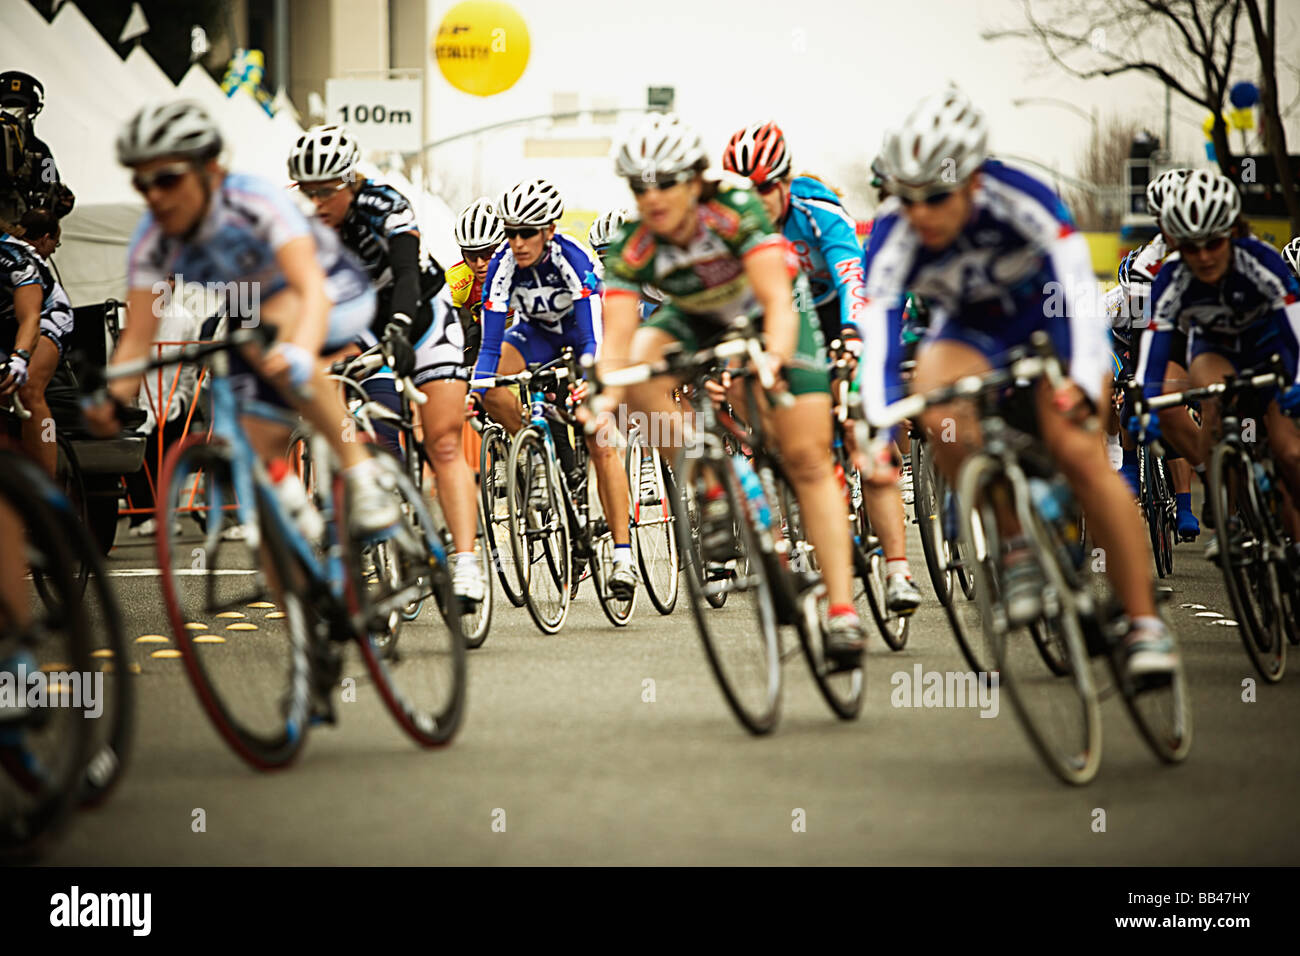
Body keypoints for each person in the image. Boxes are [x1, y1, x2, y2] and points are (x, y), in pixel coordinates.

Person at [860, 87, 1176, 679]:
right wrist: (875, 423)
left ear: (974, 180)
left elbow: (1082, 297)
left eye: (936, 196)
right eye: (907, 197)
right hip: (970, 335)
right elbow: (876, 333)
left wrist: (1083, 384)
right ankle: (1018, 543)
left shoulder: (1020, 199)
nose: (919, 213)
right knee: (937, 406)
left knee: (1078, 451)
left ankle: (1144, 624)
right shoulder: (895, 230)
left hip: (1051, 321)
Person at [593, 113, 865, 663]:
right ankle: (709, 477)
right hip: (695, 318)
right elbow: (618, 341)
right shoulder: (633, 240)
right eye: (640, 187)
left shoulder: (735, 210)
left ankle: (842, 614)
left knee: (808, 457)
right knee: (634, 376)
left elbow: (777, 304)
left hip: (771, 313)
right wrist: (602, 394)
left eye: (667, 182)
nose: (653, 198)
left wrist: (773, 359)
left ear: (695, 179)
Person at [83, 99, 398, 542]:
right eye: (142, 182)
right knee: (257, 432)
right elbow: (136, 339)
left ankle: (364, 479)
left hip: (331, 289)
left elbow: (307, 291)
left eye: (168, 178)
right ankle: (293, 533)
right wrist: (114, 400)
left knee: (281, 343)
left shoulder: (254, 201)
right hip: (259, 312)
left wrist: (296, 350)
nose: (154, 194)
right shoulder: (153, 238)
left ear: (209, 170)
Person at [722, 121, 920, 612]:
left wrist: (852, 339)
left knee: (864, 439)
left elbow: (853, 279)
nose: (756, 198)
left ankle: (898, 570)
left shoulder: (817, 212)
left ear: (784, 183)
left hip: (840, 312)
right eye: (745, 190)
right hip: (786, 323)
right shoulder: (733, 227)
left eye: (765, 187)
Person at [287, 124, 483, 603]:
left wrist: (398, 325)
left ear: (351, 180)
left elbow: (409, 274)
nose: (317, 203)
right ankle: (385, 523)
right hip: (362, 330)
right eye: (307, 192)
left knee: (443, 440)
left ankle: (466, 564)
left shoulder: (386, 205)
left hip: (423, 318)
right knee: (366, 428)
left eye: (327, 191)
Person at [471, 177, 638, 600]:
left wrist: (588, 382)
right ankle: (533, 448)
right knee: (488, 387)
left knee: (599, 437)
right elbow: (491, 343)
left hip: (581, 337)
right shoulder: (502, 265)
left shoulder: (573, 258)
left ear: (548, 231)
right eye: (510, 233)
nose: (517, 243)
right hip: (534, 336)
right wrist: (478, 386)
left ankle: (622, 556)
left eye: (527, 233)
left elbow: (592, 336)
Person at [1136, 170, 1300, 557]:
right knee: (1212, 398)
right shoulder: (1172, 276)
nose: (1205, 256)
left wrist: (1296, 380)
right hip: (1216, 351)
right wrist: (1142, 397)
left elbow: (1293, 326)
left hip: (1268, 351)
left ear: (1231, 233)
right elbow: (1155, 341)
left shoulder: (1259, 261)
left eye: (1214, 243)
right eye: (1192, 248)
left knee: (1289, 452)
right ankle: (1221, 495)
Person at [0, 208, 72, 477]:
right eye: (55, 243)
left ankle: (47, 492)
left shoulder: (16, 259)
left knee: (28, 389)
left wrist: (19, 357)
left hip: (46, 318)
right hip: (7, 321)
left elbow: (30, 318)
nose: (53, 250)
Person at [0, 71, 74, 223]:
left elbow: (52, 187)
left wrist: (60, 201)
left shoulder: (40, 150)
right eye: (8, 104)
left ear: (31, 109)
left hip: (20, 232)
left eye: (20, 105)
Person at [447, 197, 506, 367]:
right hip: (483, 331)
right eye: (471, 256)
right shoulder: (457, 279)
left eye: (488, 253)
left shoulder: (523, 267)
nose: (480, 263)